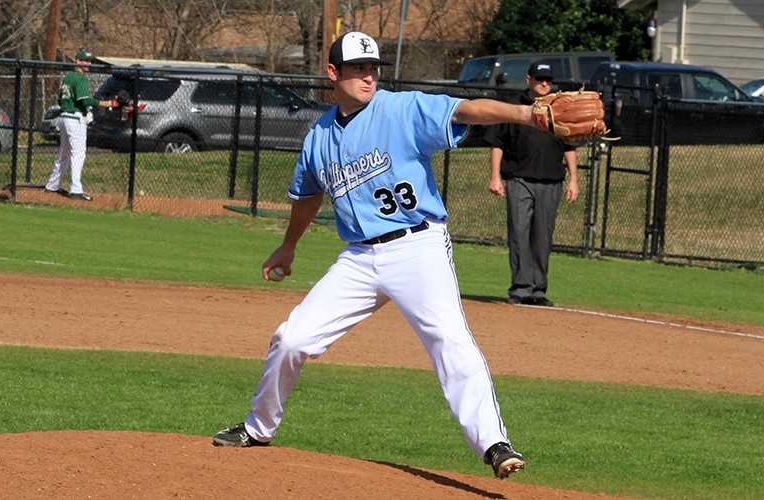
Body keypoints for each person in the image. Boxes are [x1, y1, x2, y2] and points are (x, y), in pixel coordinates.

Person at [212, 31, 543, 479]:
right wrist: (288, 246)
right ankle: (257, 427)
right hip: (359, 258)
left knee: (449, 339)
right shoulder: (319, 136)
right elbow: (307, 197)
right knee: (291, 338)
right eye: (357, 68)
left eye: (373, 68)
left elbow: (464, 109)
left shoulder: (401, 108)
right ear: (333, 73)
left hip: (418, 246)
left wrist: (526, 113)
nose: (368, 76)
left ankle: (494, 444)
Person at [483, 61, 579, 308]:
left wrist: (574, 180)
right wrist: (495, 176)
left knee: (542, 237)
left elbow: (570, 146)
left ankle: (537, 289)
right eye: (539, 79)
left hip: (552, 180)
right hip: (519, 178)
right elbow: (498, 143)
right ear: (529, 80)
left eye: (548, 79)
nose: (544, 83)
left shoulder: (560, 109)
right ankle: (521, 288)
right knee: (519, 233)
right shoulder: (513, 108)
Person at [45, 48, 116, 201]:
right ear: (77, 61)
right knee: (78, 154)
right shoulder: (79, 78)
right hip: (74, 119)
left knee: (63, 153)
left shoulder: (68, 77)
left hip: (63, 117)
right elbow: (85, 100)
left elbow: (60, 100)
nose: (88, 64)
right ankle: (76, 189)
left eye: (89, 61)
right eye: (85, 61)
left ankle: (52, 185)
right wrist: (107, 103)